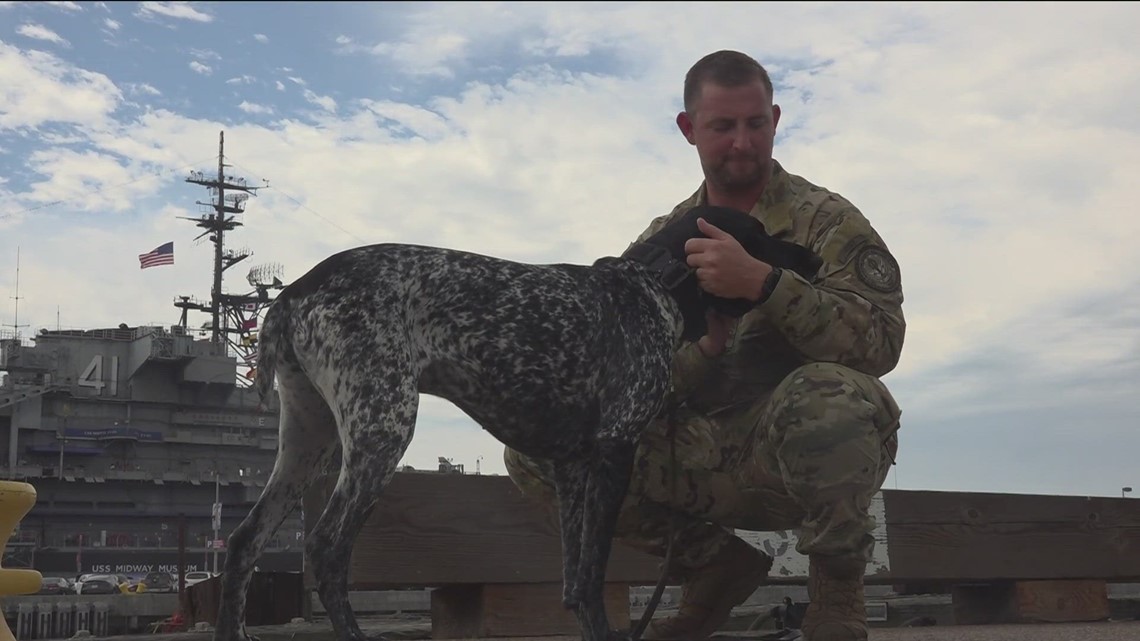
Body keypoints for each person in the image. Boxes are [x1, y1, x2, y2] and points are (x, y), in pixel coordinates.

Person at [504, 49, 905, 641]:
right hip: (690, 454)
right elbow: (615, 384)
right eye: (722, 127)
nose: (742, 143)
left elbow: (881, 345)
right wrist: (704, 353)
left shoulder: (825, 221)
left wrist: (769, 286)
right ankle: (716, 570)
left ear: (774, 118)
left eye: (755, 124)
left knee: (831, 395)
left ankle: (836, 600)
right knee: (539, 442)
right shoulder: (661, 243)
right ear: (689, 130)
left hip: (788, 454)